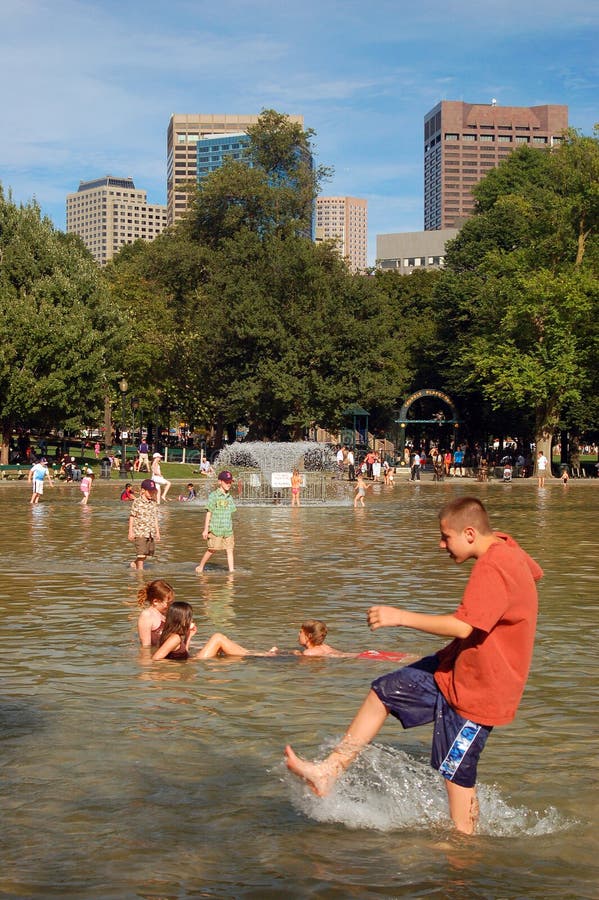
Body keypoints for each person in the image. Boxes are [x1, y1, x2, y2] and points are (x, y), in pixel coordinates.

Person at [284, 496, 543, 835]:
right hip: (454, 667)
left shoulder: (493, 565)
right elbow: (535, 572)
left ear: (469, 533)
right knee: (385, 691)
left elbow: (464, 626)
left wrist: (400, 617)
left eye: (445, 537)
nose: (441, 544)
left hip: (482, 689)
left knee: (455, 771)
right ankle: (329, 771)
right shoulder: (505, 546)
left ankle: (461, 857)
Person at [152, 600, 266, 661]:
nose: (191, 620)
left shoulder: (173, 636)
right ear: (181, 619)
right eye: (189, 617)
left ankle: (256, 655)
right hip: (194, 662)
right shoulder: (174, 638)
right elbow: (156, 659)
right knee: (218, 637)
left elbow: (182, 655)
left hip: (190, 660)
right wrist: (176, 668)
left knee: (223, 647)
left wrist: (189, 636)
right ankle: (259, 656)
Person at [195, 470, 237, 573]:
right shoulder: (214, 496)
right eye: (226, 482)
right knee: (212, 549)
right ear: (220, 482)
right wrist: (206, 530)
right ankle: (200, 566)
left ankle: (231, 571)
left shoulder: (229, 497)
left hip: (227, 529)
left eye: (230, 482)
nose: (229, 484)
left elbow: (231, 512)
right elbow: (209, 512)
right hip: (216, 528)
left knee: (230, 549)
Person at [128, 478, 161, 570]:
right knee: (141, 554)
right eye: (150, 491)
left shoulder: (153, 503)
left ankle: (134, 564)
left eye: (153, 491)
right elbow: (132, 516)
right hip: (140, 532)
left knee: (147, 554)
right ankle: (140, 575)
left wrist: (157, 532)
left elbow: (155, 518)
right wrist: (130, 532)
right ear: (143, 491)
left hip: (150, 532)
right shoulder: (137, 502)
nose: (152, 493)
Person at [137, 579, 174, 647]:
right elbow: (146, 647)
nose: (170, 605)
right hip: (157, 655)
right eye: (168, 603)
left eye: (171, 602)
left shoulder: (165, 614)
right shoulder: (147, 615)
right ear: (155, 601)